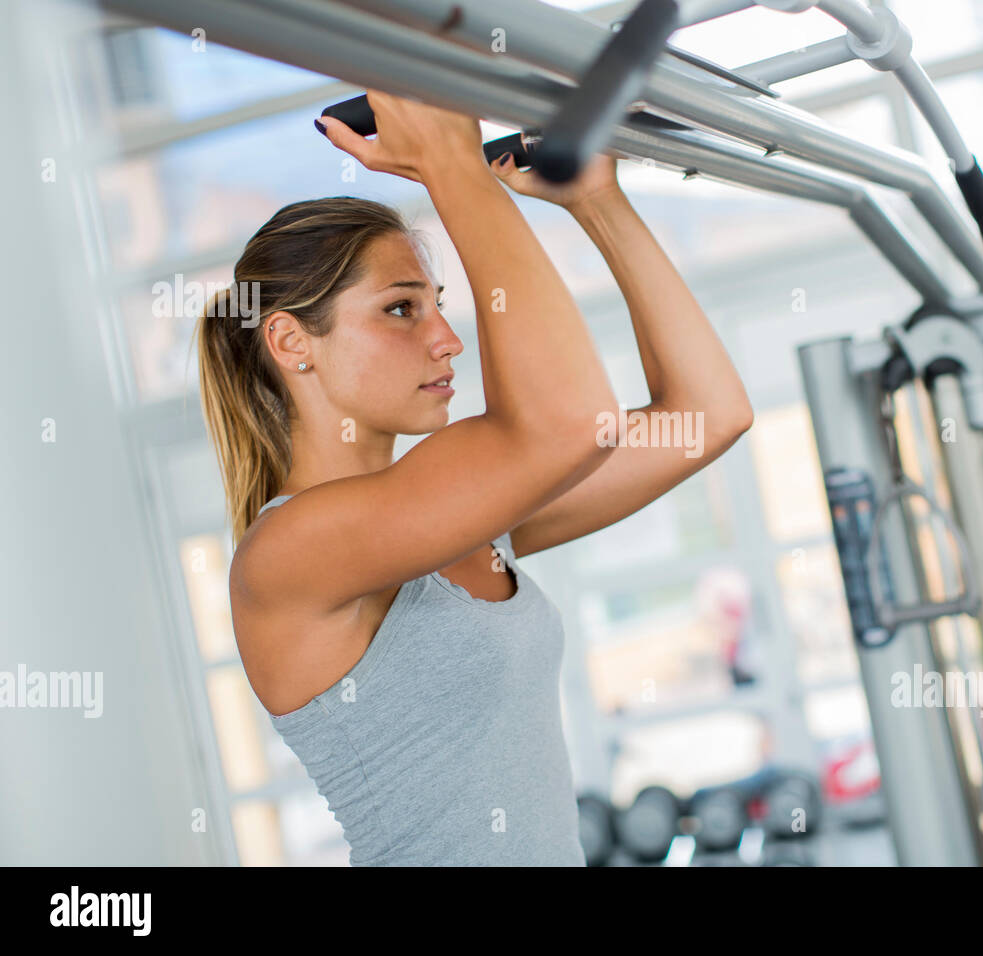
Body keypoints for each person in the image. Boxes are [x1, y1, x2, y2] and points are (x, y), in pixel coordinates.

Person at [195, 91, 753, 865]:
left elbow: (706, 415)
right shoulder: (289, 551)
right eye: (400, 310)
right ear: (293, 342)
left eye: (437, 305)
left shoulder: (462, 520)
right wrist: (456, 169)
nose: (446, 340)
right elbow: (569, 425)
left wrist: (598, 201)